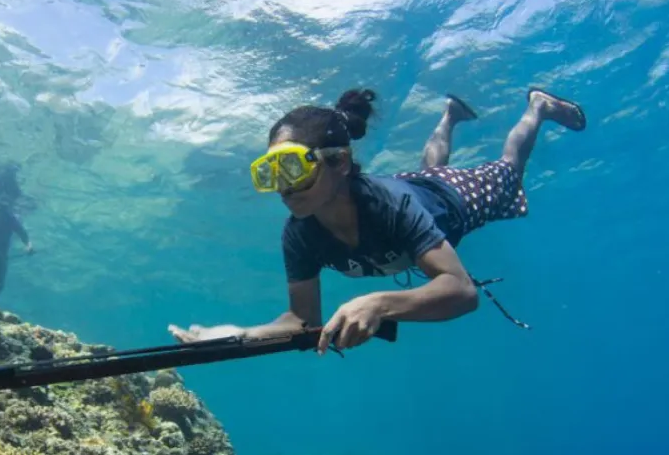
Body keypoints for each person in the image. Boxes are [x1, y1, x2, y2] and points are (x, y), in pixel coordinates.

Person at [167, 86, 585, 353]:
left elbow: (461, 290)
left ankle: (537, 107)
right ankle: (449, 116)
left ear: (340, 162)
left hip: (455, 198)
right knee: (426, 169)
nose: (282, 187)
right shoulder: (299, 235)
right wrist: (236, 334)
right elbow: (301, 321)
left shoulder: (390, 208)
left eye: (291, 169)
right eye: (270, 173)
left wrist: (381, 303)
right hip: (416, 186)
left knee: (509, 170)